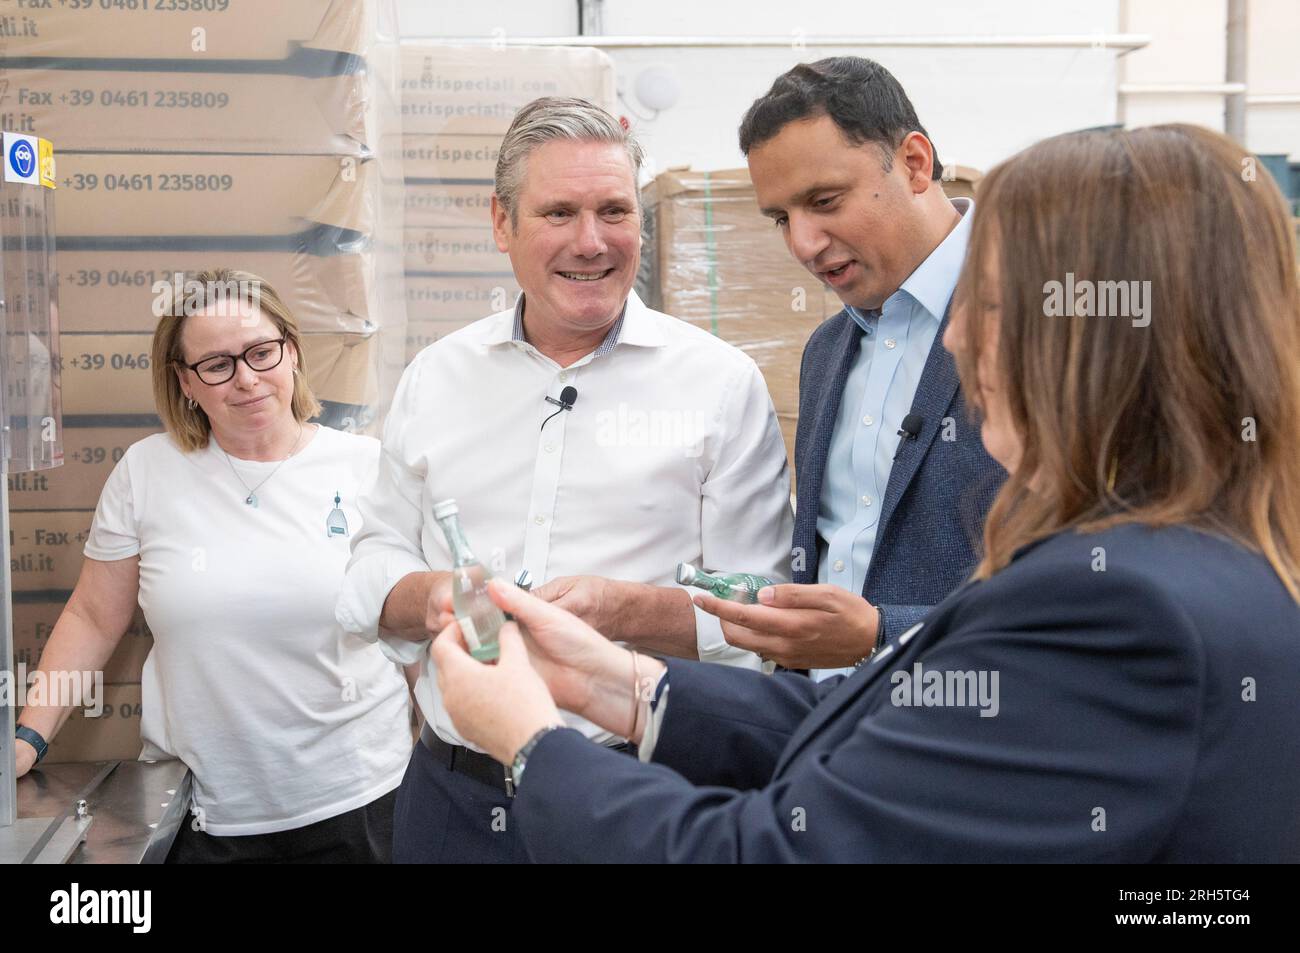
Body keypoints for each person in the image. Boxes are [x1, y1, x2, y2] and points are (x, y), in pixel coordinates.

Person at [431, 124, 1300, 862]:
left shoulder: (1115, 606)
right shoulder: (1195, 553)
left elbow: (769, 850)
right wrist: (619, 684)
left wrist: (530, 739)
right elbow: (906, 718)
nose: (953, 336)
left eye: (986, 302)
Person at [336, 97, 793, 863]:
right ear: (500, 222)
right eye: (558, 212)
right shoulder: (436, 378)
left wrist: (623, 610)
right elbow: (371, 565)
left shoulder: (720, 384)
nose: (591, 241)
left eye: (614, 210)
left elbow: (760, 609)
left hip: (636, 797)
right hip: (454, 797)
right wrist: (438, 596)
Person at [14, 269, 412, 863]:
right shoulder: (147, 471)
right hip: (200, 816)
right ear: (184, 381)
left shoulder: (366, 468)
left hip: (359, 806)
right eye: (217, 364)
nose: (246, 379)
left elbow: (414, 631)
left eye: (261, 352)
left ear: (293, 351)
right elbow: (95, 617)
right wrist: (27, 740)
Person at [694, 58, 1003, 678]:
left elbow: (1089, 606)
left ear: (915, 163)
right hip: (828, 732)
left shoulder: (1041, 326)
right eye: (782, 219)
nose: (804, 244)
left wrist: (878, 636)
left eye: (825, 201)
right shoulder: (827, 350)